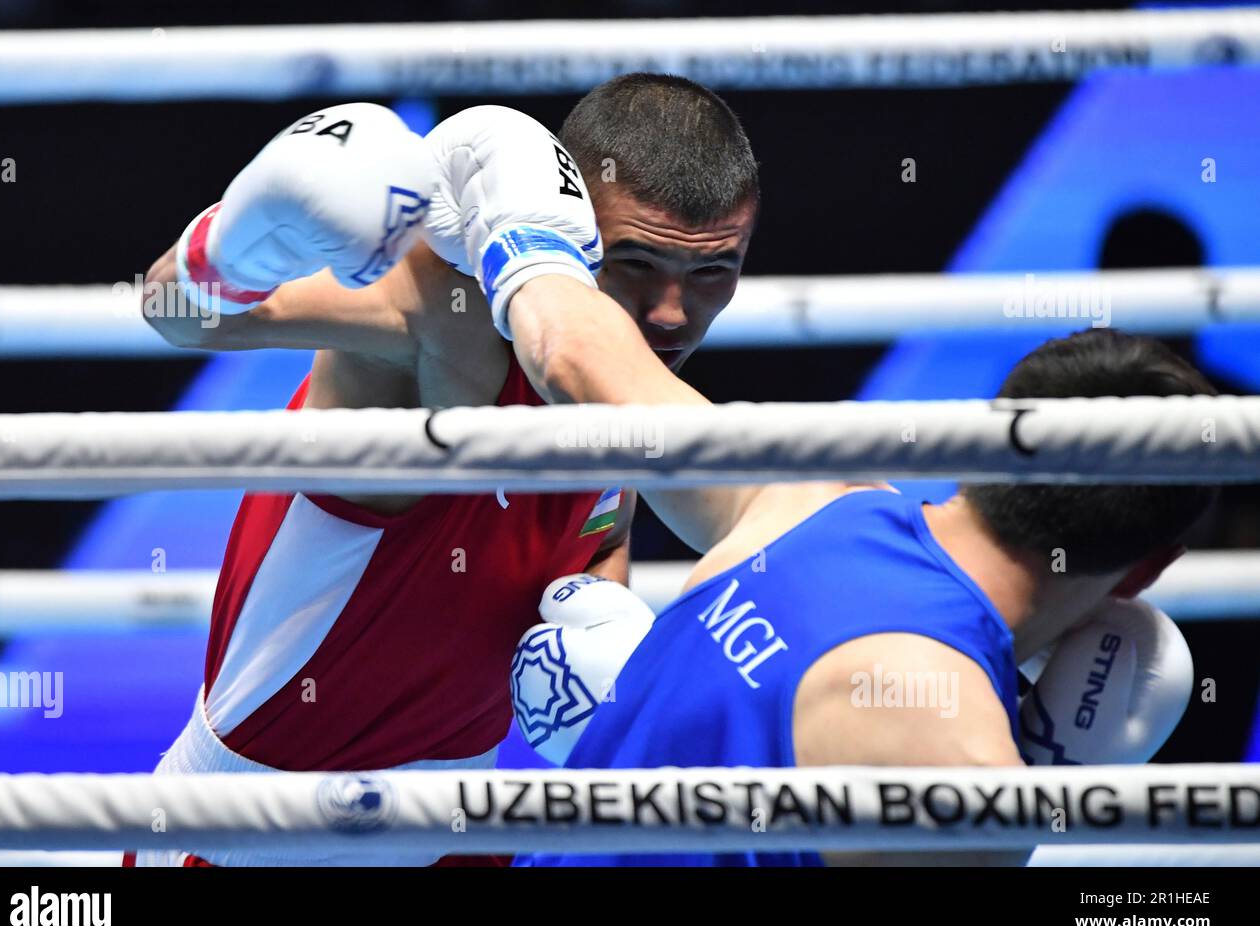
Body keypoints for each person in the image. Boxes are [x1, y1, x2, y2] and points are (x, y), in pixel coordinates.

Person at [134, 74, 759, 866]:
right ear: (573, 225)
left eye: (711, 273)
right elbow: (177, 315)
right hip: (258, 834)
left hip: (463, 833)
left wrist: (601, 619)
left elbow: (596, 536)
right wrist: (232, 243)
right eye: (636, 262)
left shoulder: (628, 388)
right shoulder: (441, 313)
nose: (671, 312)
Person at [510, 329, 1212, 866]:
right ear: (1143, 573)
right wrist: (1038, 795)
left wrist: (528, 243)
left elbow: (576, 348)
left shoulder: (810, 495)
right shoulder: (966, 764)